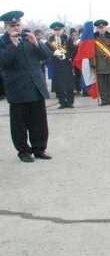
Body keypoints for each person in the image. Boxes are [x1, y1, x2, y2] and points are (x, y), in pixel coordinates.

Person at [0, 11, 52, 162]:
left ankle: (39, 148)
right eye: (12, 25)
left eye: (17, 24)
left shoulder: (28, 37)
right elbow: (4, 63)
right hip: (17, 88)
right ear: (5, 27)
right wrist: (14, 45)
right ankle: (24, 151)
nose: (15, 27)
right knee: (19, 123)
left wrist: (35, 42)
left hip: (35, 86)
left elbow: (46, 55)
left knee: (39, 121)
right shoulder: (3, 42)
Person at [47, 22, 77, 109]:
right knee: (58, 85)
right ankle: (62, 102)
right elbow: (46, 51)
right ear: (53, 31)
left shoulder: (67, 39)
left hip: (66, 64)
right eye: (55, 30)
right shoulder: (50, 40)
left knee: (69, 84)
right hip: (56, 65)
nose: (57, 31)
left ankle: (70, 102)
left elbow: (73, 50)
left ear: (62, 30)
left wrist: (66, 56)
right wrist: (53, 53)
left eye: (59, 30)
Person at [93, 19, 110, 105]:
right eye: (99, 28)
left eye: (103, 27)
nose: (101, 29)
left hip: (109, 63)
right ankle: (104, 100)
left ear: (105, 27)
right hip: (99, 63)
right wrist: (92, 63)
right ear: (97, 28)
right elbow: (91, 52)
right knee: (101, 84)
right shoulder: (93, 37)